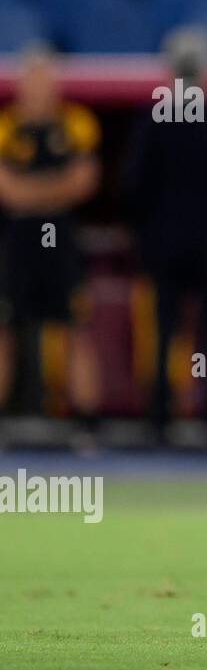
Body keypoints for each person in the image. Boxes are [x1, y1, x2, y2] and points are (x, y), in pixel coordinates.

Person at [123, 27, 207, 444]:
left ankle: (159, 420)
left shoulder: (154, 117)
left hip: (165, 242)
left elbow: (134, 185)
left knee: (163, 332)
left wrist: (142, 234)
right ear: (206, 69)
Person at [0, 44, 100, 420]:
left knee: (76, 328)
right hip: (17, 242)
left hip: (60, 240)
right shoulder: (7, 126)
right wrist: (52, 192)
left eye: (46, 79)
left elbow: (84, 182)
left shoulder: (75, 123)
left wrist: (31, 195)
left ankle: (88, 424)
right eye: (33, 80)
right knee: (5, 330)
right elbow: (5, 190)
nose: (40, 88)